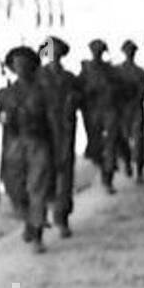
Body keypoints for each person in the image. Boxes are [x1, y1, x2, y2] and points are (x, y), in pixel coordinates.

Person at [0, 45, 56, 251]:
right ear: (12, 68)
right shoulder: (5, 93)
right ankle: (29, 220)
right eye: (16, 64)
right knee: (15, 189)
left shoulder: (44, 92)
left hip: (38, 142)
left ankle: (37, 234)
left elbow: (53, 120)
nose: (21, 68)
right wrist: (0, 118)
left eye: (25, 64)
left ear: (32, 67)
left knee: (37, 188)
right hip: (14, 144)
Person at [36, 35, 83, 237]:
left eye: (57, 53)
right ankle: (40, 217)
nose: (53, 57)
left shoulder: (70, 79)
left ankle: (62, 218)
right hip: (42, 132)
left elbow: (84, 101)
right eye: (50, 52)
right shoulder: (37, 78)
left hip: (65, 132)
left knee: (65, 176)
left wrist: (75, 100)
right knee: (42, 176)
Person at [80, 38, 123, 193]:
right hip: (92, 114)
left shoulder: (110, 70)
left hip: (109, 111)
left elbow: (121, 91)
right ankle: (103, 167)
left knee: (110, 145)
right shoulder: (86, 70)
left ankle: (108, 178)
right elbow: (79, 92)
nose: (97, 54)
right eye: (94, 51)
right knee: (95, 147)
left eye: (100, 51)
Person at [115, 40, 144, 182]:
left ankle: (139, 171)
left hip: (137, 110)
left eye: (132, 52)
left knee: (139, 141)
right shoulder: (117, 72)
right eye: (128, 52)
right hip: (122, 111)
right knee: (123, 141)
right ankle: (128, 162)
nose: (130, 54)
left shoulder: (141, 72)